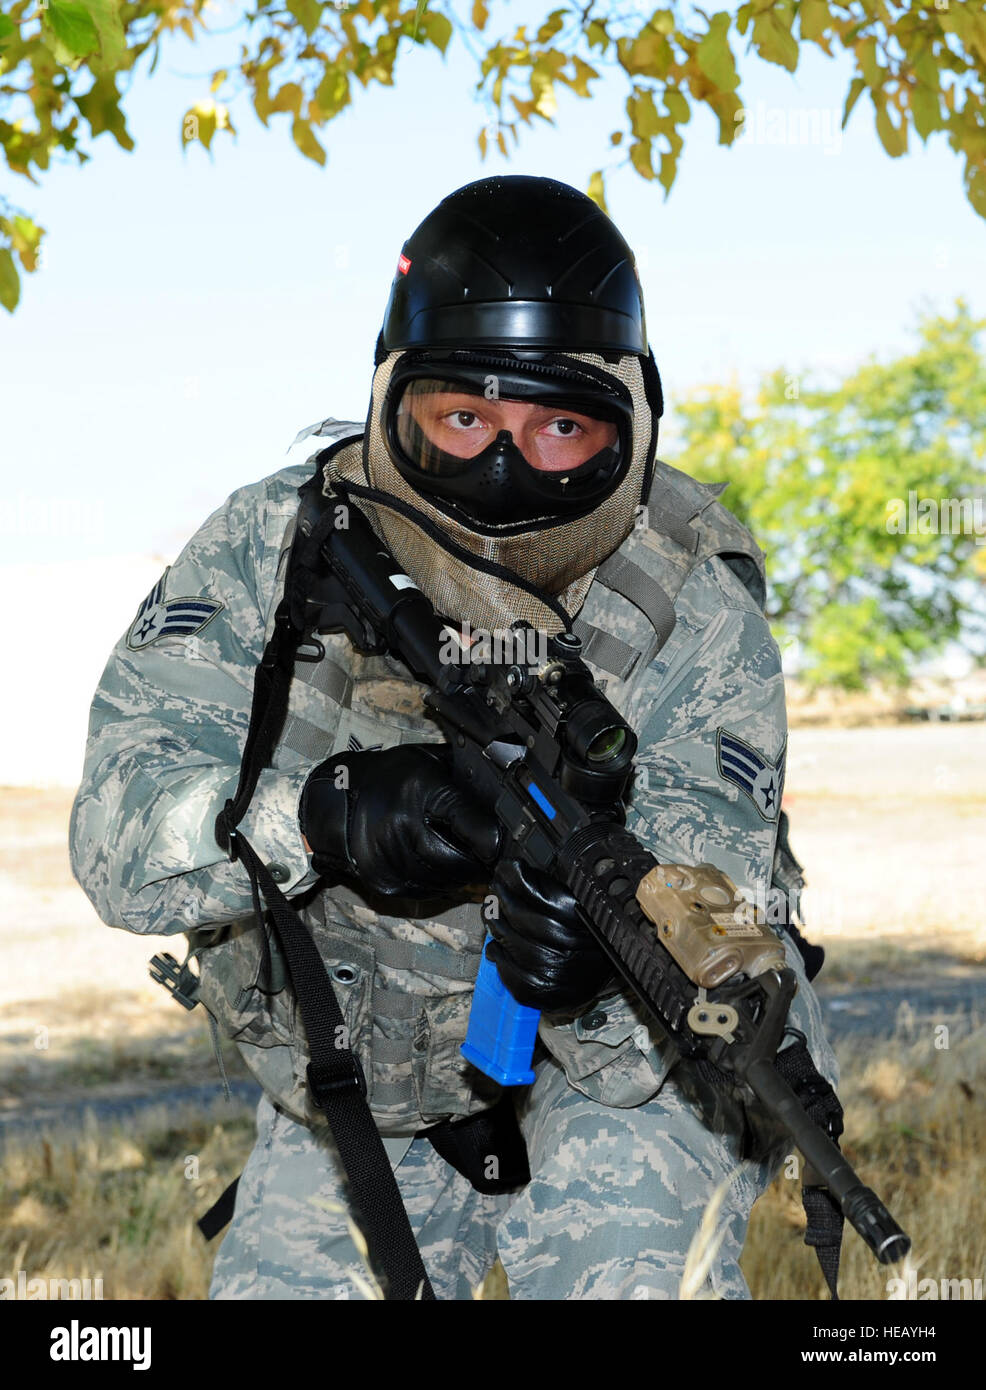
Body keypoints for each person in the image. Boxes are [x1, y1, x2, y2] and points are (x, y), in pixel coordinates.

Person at [69, 174, 837, 1301]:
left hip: (629, 1072)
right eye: (464, 418)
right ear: (393, 399)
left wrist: (603, 949)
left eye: (558, 428)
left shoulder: (690, 597)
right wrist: (321, 817)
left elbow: (710, 883)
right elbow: (117, 846)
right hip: (359, 1075)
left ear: (625, 423)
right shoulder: (265, 551)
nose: (499, 468)